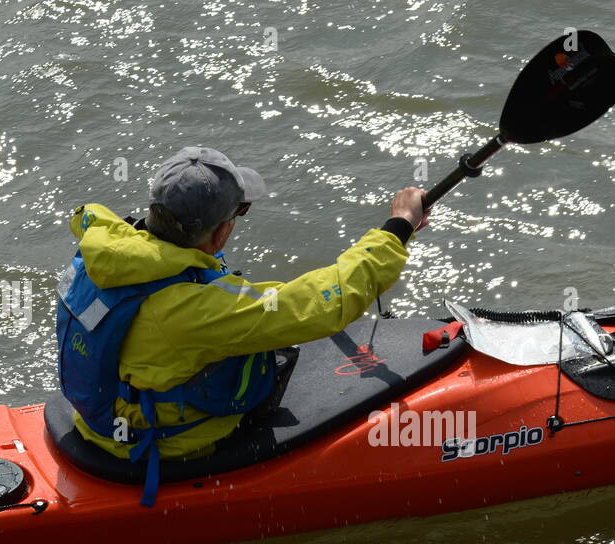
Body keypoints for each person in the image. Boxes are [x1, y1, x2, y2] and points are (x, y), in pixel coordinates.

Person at [56, 145, 429, 504]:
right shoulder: (196, 309)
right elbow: (320, 306)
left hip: (99, 421)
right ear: (219, 232)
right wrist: (398, 228)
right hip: (166, 444)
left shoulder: (102, 246)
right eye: (240, 212)